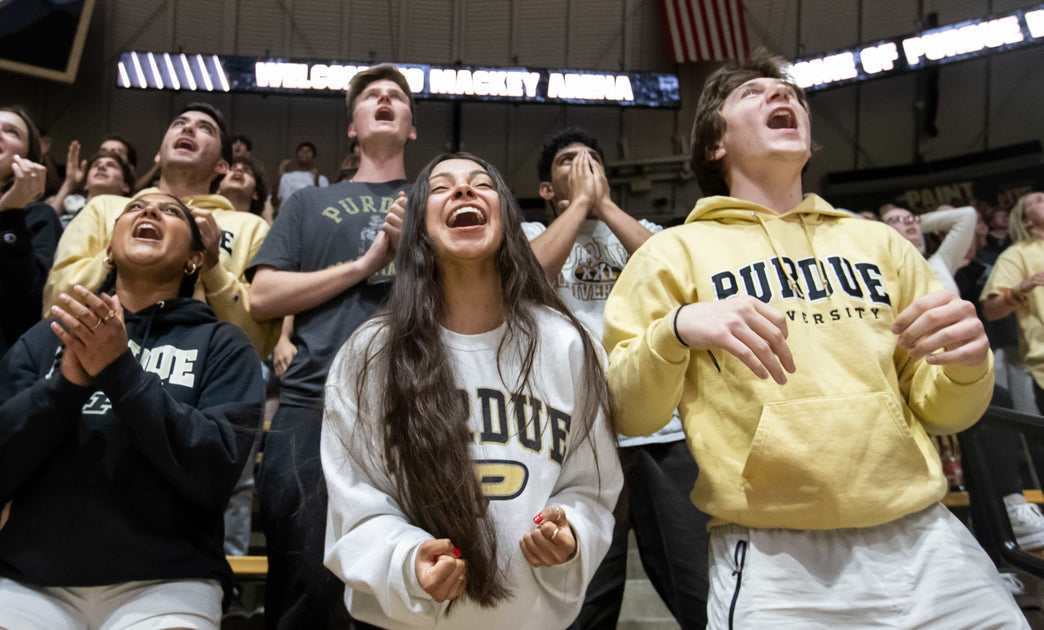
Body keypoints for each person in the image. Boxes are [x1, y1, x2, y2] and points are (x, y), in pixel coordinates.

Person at [603, 53, 1023, 628]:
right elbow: (630, 411)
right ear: (713, 146)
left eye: (792, 94)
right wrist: (675, 331)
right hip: (778, 561)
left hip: (927, 538)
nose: (783, 97)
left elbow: (943, 411)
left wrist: (969, 366)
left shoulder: (880, 243)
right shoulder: (671, 253)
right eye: (753, 93)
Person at [321, 152, 621, 628]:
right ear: (417, 226)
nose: (464, 190)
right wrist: (406, 560)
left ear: (507, 217)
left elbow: (591, 484)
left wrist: (572, 534)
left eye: (481, 183)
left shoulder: (566, 344)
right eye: (441, 187)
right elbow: (357, 499)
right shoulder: (370, 353)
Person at [0, 193, 264, 630]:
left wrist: (119, 371)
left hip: (169, 581)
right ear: (108, 249)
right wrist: (66, 386)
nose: (149, 212)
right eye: (135, 208)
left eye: (171, 212)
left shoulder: (224, 344)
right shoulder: (48, 336)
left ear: (196, 259)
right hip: (30, 577)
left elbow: (214, 469)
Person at [248, 64, 415, 629]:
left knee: (408, 583)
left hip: (417, 409)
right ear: (353, 126)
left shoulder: (440, 200)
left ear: (412, 128)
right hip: (313, 403)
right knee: (302, 584)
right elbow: (262, 297)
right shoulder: (309, 205)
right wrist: (367, 266)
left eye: (397, 96)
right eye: (373, 96)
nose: (386, 100)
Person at [522, 127, 709, 629]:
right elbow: (526, 280)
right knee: (585, 598)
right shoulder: (526, 235)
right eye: (568, 160)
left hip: (658, 433)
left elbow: (681, 277)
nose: (584, 165)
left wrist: (602, 208)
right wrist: (578, 208)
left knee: (694, 583)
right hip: (574, 440)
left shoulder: (638, 227)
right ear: (546, 188)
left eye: (592, 158)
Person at [43, 102, 279, 358]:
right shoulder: (104, 208)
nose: (188, 128)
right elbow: (56, 304)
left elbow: (258, 343)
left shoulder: (250, 226)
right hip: (90, 359)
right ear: (158, 155)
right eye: (179, 124)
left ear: (222, 166)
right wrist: (119, 251)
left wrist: (214, 270)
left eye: (205, 129)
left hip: (198, 370)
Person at [0, 105, 62, 355]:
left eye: (11, 132)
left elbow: (27, 307)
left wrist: (11, 215)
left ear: (28, 158)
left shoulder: (38, 217)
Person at [881, 203, 976, 294]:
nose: (909, 221)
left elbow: (968, 214)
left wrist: (916, 222)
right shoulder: (883, 268)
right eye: (897, 220)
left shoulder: (939, 261)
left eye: (911, 217)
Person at [48, 147, 135, 226]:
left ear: (125, 186)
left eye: (111, 165)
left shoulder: (132, 216)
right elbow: (46, 222)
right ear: (86, 185)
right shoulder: (69, 209)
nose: (101, 167)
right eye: (95, 165)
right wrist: (69, 183)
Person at [272, 141, 329, 210]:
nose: (305, 153)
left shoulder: (321, 179)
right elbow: (274, 202)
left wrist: (316, 182)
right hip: (287, 217)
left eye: (308, 151)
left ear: (314, 157)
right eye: (301, 151)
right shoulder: (285, 177)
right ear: (297, 155)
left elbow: (324, 204)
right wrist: (279, 177)